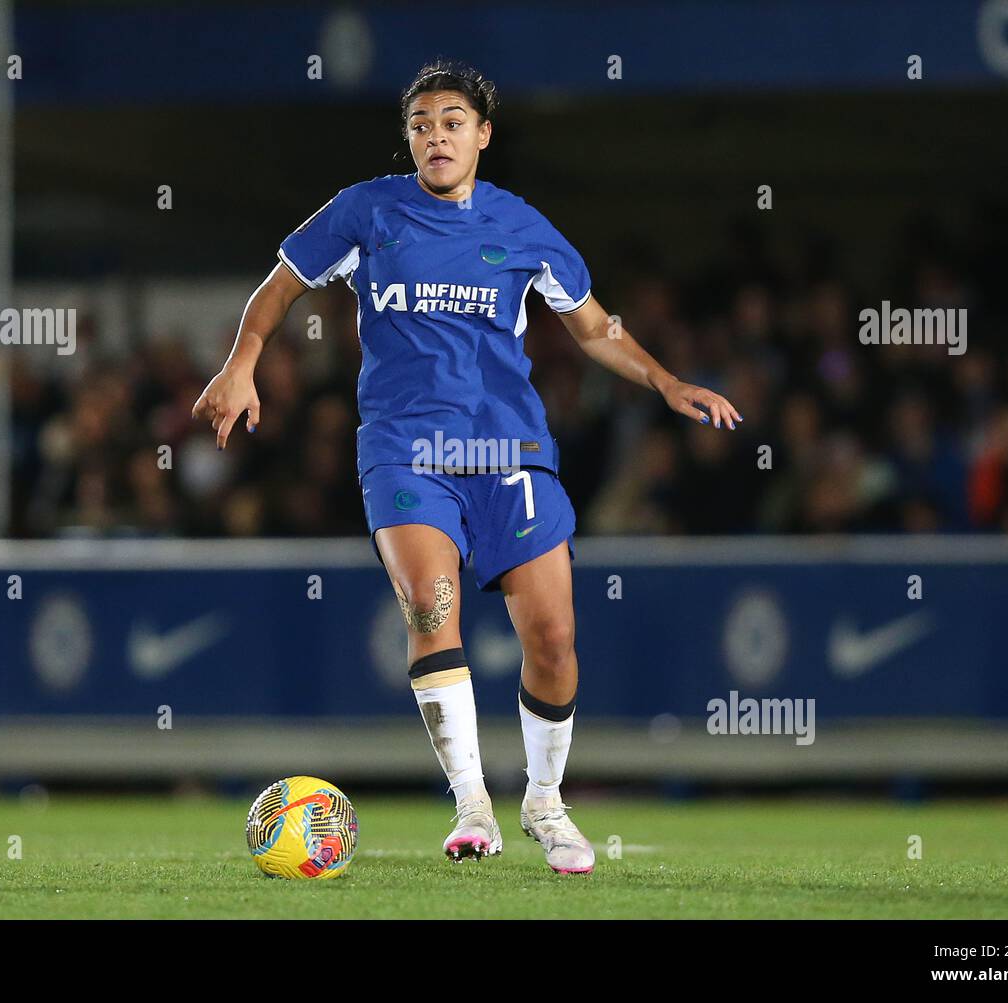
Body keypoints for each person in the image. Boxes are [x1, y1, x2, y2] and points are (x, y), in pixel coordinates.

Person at [193, 58, 742, 875]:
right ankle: (472, 801)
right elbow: (278, 289)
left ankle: (545, 801)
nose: (436, 136)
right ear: (407, 138)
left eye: (453, 122)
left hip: (508, 449)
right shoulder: (365, 211)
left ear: (483, 135)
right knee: (429, 603)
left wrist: (665, 380)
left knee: (553, 636)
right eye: (421, 124)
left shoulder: (522, 228)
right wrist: (242, 361)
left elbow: (593, 328)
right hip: (405, 447)